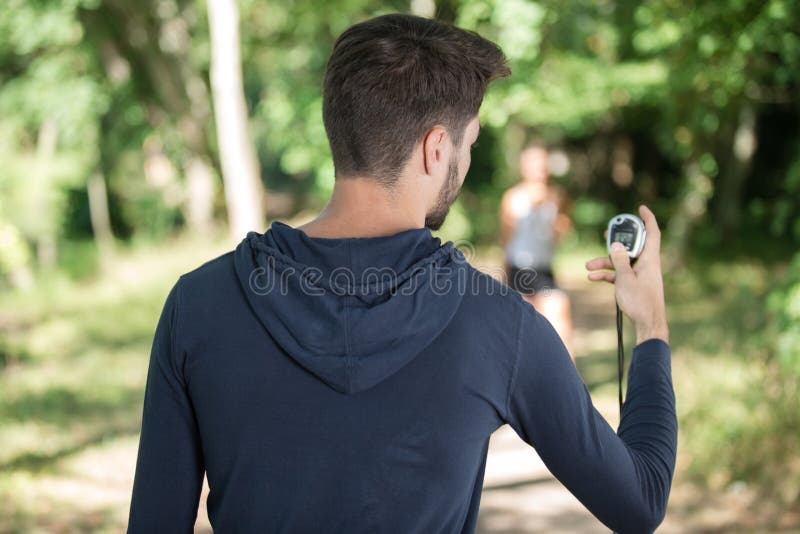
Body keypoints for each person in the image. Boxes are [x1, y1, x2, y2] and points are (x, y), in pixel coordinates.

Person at [127, 14, 677, 534]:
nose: (464, 160)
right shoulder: (502, 327)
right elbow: (639, 501)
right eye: (469, 144)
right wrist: (650, 327)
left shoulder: (197, 306)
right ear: (437, 148)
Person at [500, 144, 575, 360]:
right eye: (533, 163)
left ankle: (570, 386)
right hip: (519, 270)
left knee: (560, 322)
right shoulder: (512, 198)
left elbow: (564, 230)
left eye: (542, 163)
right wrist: (504, 277)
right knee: (522, 333)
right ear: (524, 167)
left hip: (544, 270)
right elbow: (506, 240)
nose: (538, 169)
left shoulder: (557, 197)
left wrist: (558, 224)